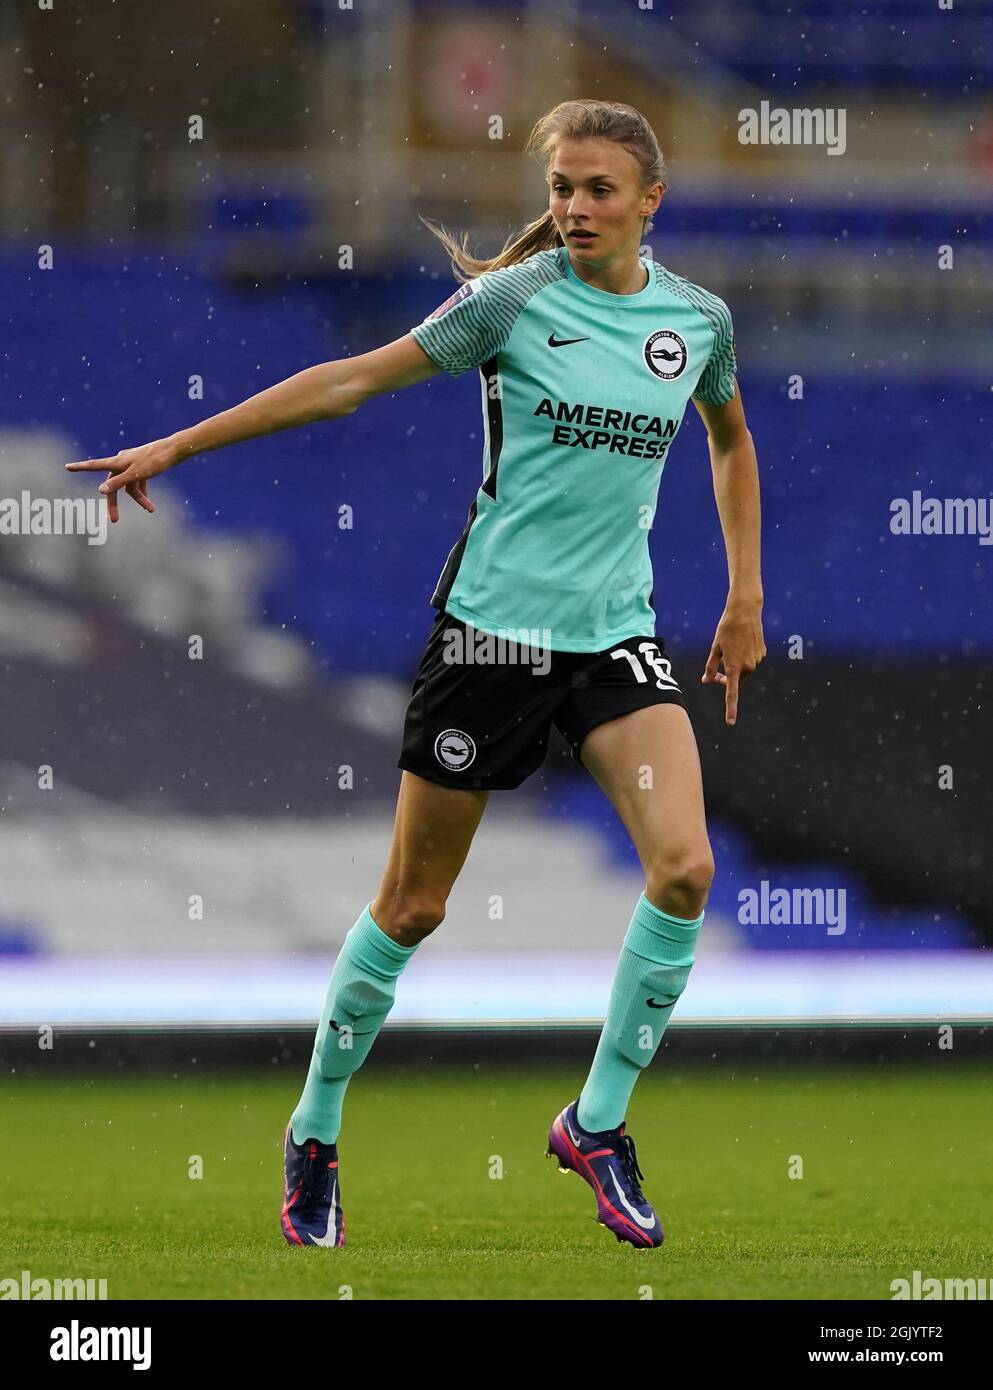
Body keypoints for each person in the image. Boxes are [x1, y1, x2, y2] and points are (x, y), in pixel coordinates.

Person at [67, 99, 765, 1250]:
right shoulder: (512, 302)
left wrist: (743, 596)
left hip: (613, 638)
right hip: (489, 639)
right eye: (562, 189)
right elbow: (349, 379)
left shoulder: (699, 322)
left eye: (599, 189)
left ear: (652, 199)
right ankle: (316, 1129)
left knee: (685, 869)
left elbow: (731, 438)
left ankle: (595, 1125)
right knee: (414, 904)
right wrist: (182, 444)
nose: (576, 208)